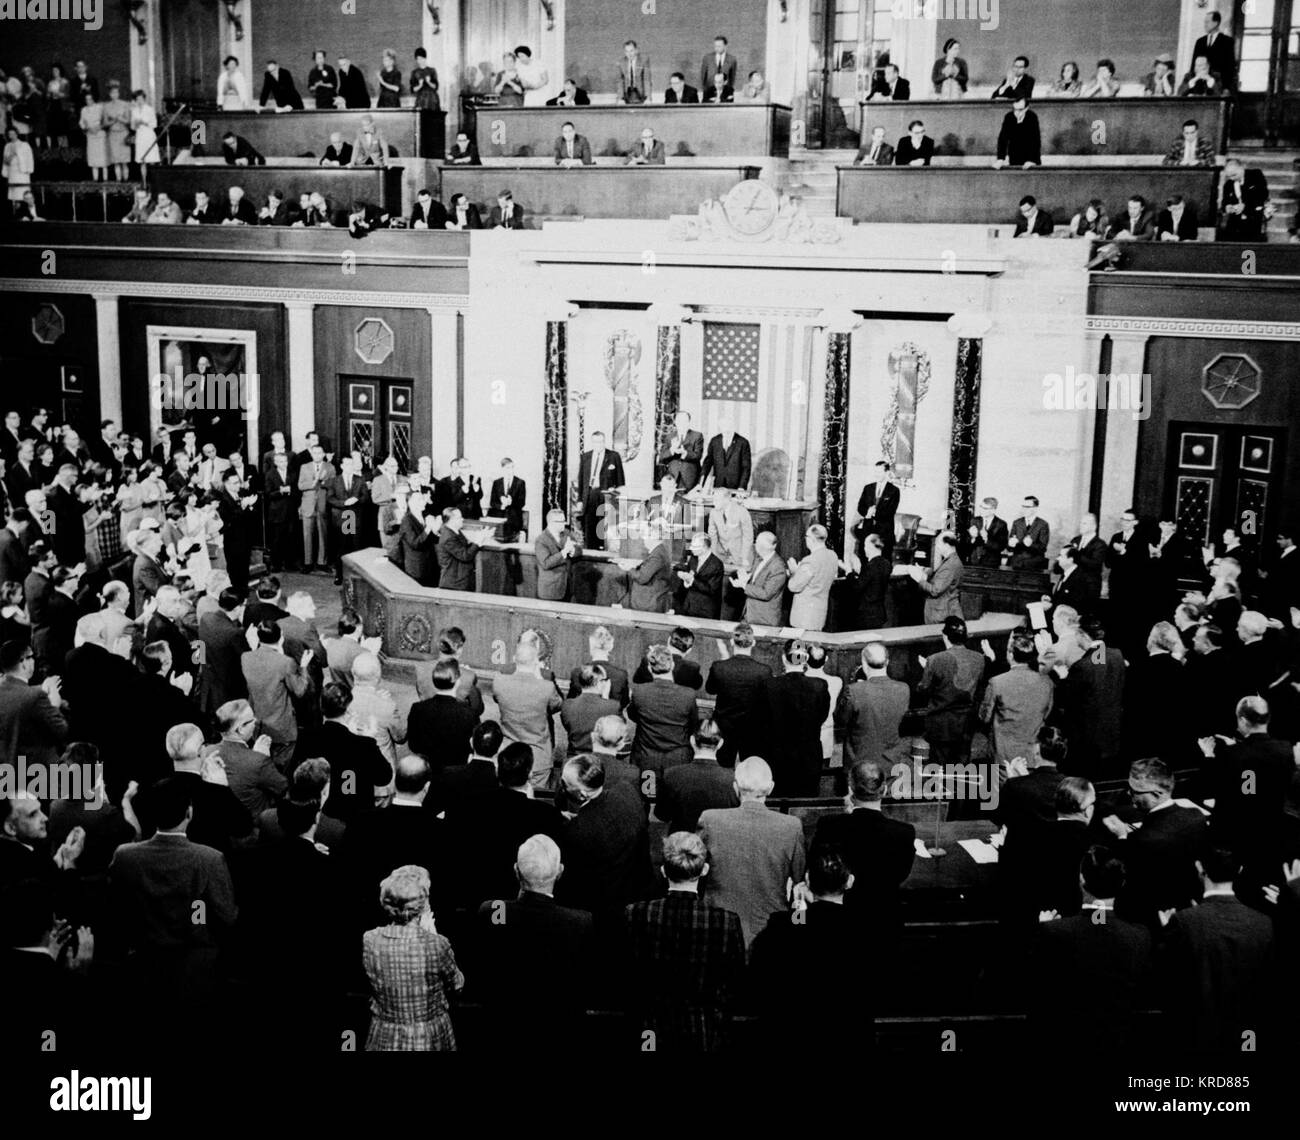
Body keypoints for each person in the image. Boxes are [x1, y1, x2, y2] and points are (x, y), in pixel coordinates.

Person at [108, 777, 237, 1011]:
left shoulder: (125, 856)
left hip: (140, 967)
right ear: (189, 813)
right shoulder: (209, 859)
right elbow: (226, 916)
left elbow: (116, 909)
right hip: (194, 973)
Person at [624, 831, 746, 1052]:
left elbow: (628, 972)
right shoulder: (725, 921)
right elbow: (734, 977)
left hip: (650, 1031)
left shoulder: (636, 914)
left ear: (663, 871)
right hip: (705, 1032)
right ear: (705, 869)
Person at [1028, 846, 1155, 1051]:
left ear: (1081, 881)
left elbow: (1037, 983)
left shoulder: (1054, 932)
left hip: (1064, 1039)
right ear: (1122, 883)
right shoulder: (1140, 935)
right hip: (1119, 1041)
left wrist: (1042, 928)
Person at [470, 835, 595, 1043]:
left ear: (516, 871)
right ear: (560, 872)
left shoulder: (493, 910)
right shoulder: (580, 921)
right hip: (558, 1027)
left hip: (501, 1024)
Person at [1163, 847, 1273, 1052]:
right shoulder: (1264, 923)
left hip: (1199, 1029)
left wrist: (1167, 929)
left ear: (1200, 868)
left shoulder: (1184, 921)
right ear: (1239, 870)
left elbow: (1169, 973)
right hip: (1246, 1034)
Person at [699, 757, 806, 948]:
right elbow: (799, 883)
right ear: (771, 788)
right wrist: (799, 923)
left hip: (718, 926)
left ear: (735, 787)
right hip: (769, 930)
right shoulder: (791, 826)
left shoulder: (710, 819)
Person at [362, 865, 464, 1051]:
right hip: (427, 1037)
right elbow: (457, 985)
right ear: (422, 904)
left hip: (385, 1035)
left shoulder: (369, 939)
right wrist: (432, 935)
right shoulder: (437, 944)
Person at [1102, 758, 1209, 924]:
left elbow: (1128, 876)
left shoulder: (1143, 841)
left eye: (1134, 790)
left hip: (1150, 915)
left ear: (1157, 794)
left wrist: (1122, 837)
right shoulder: (1196, 816)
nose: (1128, 794)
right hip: (1189, 908)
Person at [813, 759, 915, 926]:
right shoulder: (904, 833)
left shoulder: (829, 826)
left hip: (839, 921)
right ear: (885, 789)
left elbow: (818, 870)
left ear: (850, 789)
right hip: (885, 921)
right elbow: (900, 875)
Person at [557, 754, 652, 920]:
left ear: (581, 795)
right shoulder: (627, 790)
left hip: (602, 908)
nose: (561, 787)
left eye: (564, 784)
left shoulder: (576, 832)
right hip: (637, 892)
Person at [757, 640, 830, 796]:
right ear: (805, 661)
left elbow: (761, 721)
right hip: (808, 757)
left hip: (776, 756)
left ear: (784, 658)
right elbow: (821, 717)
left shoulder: (769, 685)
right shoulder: (820, 686)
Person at [493, 635, 562, 788]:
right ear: (537, 661)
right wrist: (539, 676)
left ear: (513, 659)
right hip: (538, 759)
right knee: (535, 805)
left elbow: (497, 699)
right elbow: (557, 706)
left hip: (508, 754)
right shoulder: (546, 687)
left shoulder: (498, 681)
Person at [980, 631, 1054, 765]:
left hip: (1005, 756)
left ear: (1010, 654)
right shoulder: (1047, 682)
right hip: (1034, 754)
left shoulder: (996, 682)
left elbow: (984, 717)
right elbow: (1047, 713)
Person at [834, 641, 909, 769]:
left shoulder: (854, 691)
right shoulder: (904, 689)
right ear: (887, 662)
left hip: (859, 761)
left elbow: (840, 719)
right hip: (891, 761)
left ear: (863, 663)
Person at [628, 644, 699, 778]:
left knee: (646, 796)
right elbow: (693, 725)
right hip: (678, 759)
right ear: (672, 666)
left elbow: (632, 715)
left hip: (646, 758)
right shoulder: (688, 694)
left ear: (650, 668)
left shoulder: (639, 692)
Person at [656, 719, 740, 832]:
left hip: (681, 843)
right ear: (720, 744)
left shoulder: (671, 775)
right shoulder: (733, 779)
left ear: (692, 741)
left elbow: (662, 815)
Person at [576, 430, 623, 550]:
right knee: (589, 527)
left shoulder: (613, 456)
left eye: (601, 442)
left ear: (604, 442)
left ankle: (603, 552)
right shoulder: (585, 457)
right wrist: (580, 500)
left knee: (603, 527)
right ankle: (591, 552)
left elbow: (621, 481)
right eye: (596, 442)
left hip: (606, 497)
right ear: (592, 443)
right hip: (590, 495)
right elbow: (581, 480)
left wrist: (614, 490)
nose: (598, 445)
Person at [296, 443, 334, 573]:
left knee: (323, 534)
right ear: (311, 454)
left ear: (323, 454)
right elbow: (300, 486)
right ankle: (308, 562)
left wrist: (323, 482)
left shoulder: (330, 467)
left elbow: (333, 485)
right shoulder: (304, 467)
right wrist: (313, 483)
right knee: (307, 534)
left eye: (320, 453)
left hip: (323, 505)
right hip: (308, 505)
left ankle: (322, 562)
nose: (317, 455)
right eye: (314, 453)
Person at [854, 459, 899, 558]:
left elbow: (891, 511)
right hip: (867, 530)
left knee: (884, 560)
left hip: (884, 533)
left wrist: (874, 513)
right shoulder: (868, 488)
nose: (876, 474)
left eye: (879, 472)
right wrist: (867, 513)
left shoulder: (894, 491)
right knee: (865, 559)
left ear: (886, 472)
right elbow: (860, 507)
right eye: (875, 472)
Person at [673, 532, 724, 619]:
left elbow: (712, 589)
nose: (691, 549)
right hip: (688, 607)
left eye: (694, 547)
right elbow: (690, 574)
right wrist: (685, 579)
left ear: (704, 547)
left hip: (705, 611)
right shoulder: (694, 558)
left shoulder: (717, 564)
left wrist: (692, 580)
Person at [1217, 159, 1270, 241]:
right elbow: (1225, 201)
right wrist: (1227, 207)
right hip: (1235, 221)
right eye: (1229, 176)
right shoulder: (1228, 184)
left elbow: (1262, 194)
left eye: (1234, 175)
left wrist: (1245, 205)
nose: (1231, 178)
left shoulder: (1255, 175)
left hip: (1253, 218)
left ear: (1241, 168)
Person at [534, 509, 577, 601]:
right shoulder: (541, 540)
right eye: (561, 521)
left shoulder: (566, 533)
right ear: (552, 523)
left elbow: (579, 549)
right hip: (550, 591)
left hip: (566, 587)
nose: (564, 523)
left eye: (564, 520)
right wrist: (564, 552)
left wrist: (573, 551)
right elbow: (546, 563)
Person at [1192, 9, 1236, 89]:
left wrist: (1226, 89)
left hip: (1218, 86)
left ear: (1216, 23)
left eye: (1207, 22)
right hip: (1200, 86)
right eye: (1205, 22)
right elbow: (1193, 66)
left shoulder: (1227, 41)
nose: (1205, 25)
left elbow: (1230, 68)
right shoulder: (1200, 42)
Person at [994, 98, 1041, 168]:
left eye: (1020, 110)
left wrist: (1032, 160)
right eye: (1014, 109)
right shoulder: (1009, 117)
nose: (1017, 112)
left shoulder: (1032, 117)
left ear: (1026, 108)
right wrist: (1000, 159)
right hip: (1014, 157)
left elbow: (1035, 140)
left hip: (1031, 159)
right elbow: (1003, 139)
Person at [1008, 495, 1050, 568]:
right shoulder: (1017, 523)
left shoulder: (1043, 524)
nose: (1023, 509)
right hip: (1016, 563)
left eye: (1027, 507)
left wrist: (1031, 544)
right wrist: (1010, 545)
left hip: (1034, 565)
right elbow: (1009, 548)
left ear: (1035, 508)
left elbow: (1043, 548)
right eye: (1023, 507)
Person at [78, 89, 106, 180]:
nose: (88, 101)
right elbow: (81, 122)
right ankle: (95, 179)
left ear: (94, 99)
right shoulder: (84, 110)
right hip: (90, 135)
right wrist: (87, 128)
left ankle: (105, 180)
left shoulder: (100, 107)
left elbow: (105, 120)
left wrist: (98, 127)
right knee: (93, 159)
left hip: (100, 134)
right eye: (86, 99)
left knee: (103, 159)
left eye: (90, 99)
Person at [130, 90, 159, 167]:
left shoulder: (150, 109)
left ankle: (152, 177)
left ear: (144, 99)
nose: (139, 101)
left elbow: (154, 124)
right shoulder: (134, 111)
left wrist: (144, 122)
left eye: (141, 99)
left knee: (151, 158)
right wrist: (136, 124)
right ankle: (144, 179)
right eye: (137, 99)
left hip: (149, 135)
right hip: (140, 136)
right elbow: (132, 127)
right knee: (142, 159)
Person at [618, 40, 651, 104]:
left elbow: (647, 80)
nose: (629, 54)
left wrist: (648, 98)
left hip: (640, 94)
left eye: (631, 51)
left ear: (636, 50)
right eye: (627, 51)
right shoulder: (621, 62)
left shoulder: (644, 60)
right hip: (627, 94)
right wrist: (620, 98)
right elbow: (620, 82)